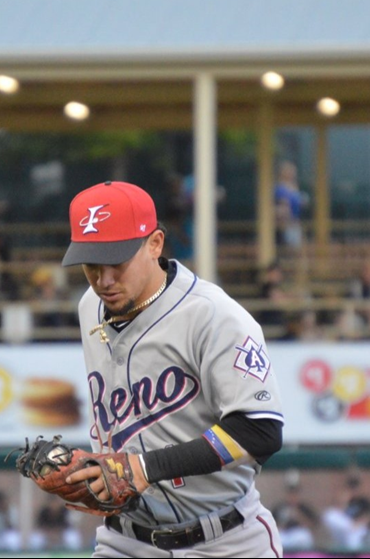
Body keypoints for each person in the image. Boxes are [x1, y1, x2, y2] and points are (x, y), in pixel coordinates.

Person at [60, 181, 285, 557]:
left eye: (116, 261)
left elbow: (261, 430)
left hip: (225, 541)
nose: (105, 280)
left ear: (155, 244)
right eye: (91, 265)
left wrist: (146, 467)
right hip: (126, 541)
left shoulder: (212, 315)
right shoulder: (90, 306)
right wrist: (95, 476)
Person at [322, 475, 370, 550]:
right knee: (329, 514)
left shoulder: (364, 502)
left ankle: (352, 554)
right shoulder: (346, 501)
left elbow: (369, 517)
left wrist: (356, 525)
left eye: (355, 488)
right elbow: (338, 515)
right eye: (351, 488)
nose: (354, 491)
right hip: (345, 531)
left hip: (360, 531)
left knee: (354, 533)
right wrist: (345, 501)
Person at [270, 483, 319, 552]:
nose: (292, 497)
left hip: (298, 534)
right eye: (290, 494)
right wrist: (284, 520)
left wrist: (298, 516)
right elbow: (272, 526)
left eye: (295, 494)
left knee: (305, 536)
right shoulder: (280, 507)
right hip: (285, 534)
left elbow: (313, 526)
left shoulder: (303, 508)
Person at [274, 160, 308, 249]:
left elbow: (298, 203)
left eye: (293, 172)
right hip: (285, 222)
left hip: (295, 221)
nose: (292, 174)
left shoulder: (294, 186)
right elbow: (283, 205)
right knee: (288, 247)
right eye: (290, 171)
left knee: (296, 248)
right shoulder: (280, 188)